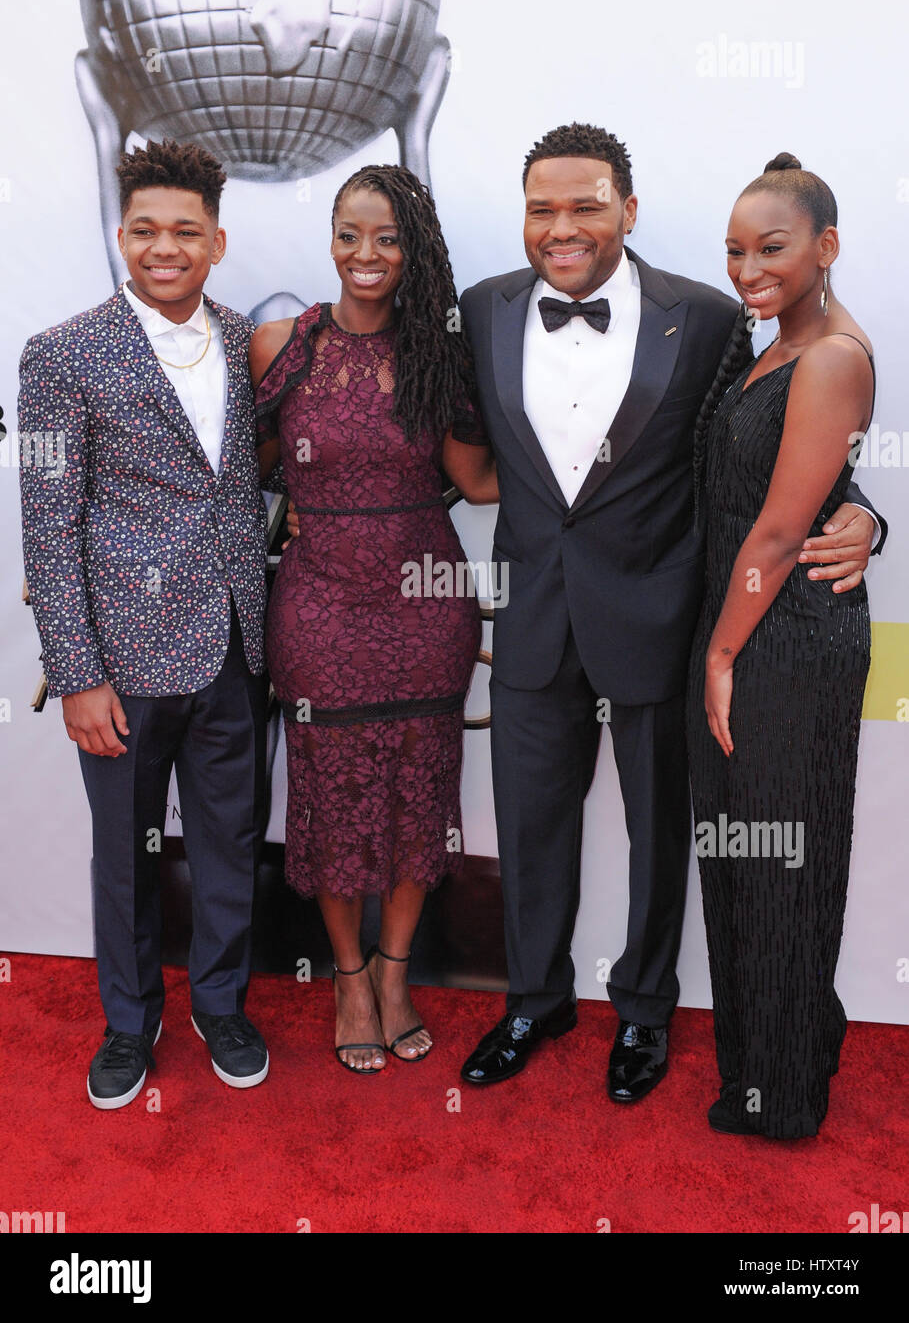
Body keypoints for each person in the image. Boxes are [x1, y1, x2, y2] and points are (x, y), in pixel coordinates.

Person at [455, 123, 882, 1099]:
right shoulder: (478, 312)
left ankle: (644, 1013)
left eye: (586, 204)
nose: (561, 227)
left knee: (663, 836)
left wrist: (868, 517)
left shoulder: (704, 319)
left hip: (658, 623)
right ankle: (533, 998)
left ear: (629, 211)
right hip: (529, 623)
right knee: (528, 828)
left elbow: (780, 457)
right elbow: (454, 447)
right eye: (542, 208)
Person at [18, 139, 270, 1108]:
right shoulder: (61, 353)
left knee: (228, 842)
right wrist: (77, 672)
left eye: (186, 232)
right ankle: (129, 1021)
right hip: (120, 665)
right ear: (122, 234)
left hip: (233, 648)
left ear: (216, 239)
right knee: (125, 854)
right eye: (146, 230)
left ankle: (221, 1005)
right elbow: (48, 521)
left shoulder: (246, 339)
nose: (165, 248)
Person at [252, 164, 496, 1073]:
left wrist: (610, 473)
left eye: (387, 238)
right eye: (350, 234)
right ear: (328, 238)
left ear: (413, 250)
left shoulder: (438, 355)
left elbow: (475, 481)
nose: (367, 254)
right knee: (329, 792)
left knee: (415, 793)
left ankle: (395, 973)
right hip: (318, 605)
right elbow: (254, 463)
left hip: (426, 601)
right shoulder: (286, 342)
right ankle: (348, 979)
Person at [685, 154, 876, 1138]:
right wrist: (867, 514)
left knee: (782, 863)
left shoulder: (834, 354)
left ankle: (785, 1088)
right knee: (742, 861)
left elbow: (774, 530)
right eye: (735, 250)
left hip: (781, 642)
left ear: (825, 247)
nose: (749, 266)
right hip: (744, 627)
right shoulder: (764, 342)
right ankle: (766, 1060)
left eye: (771, 247)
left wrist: (719, 658)